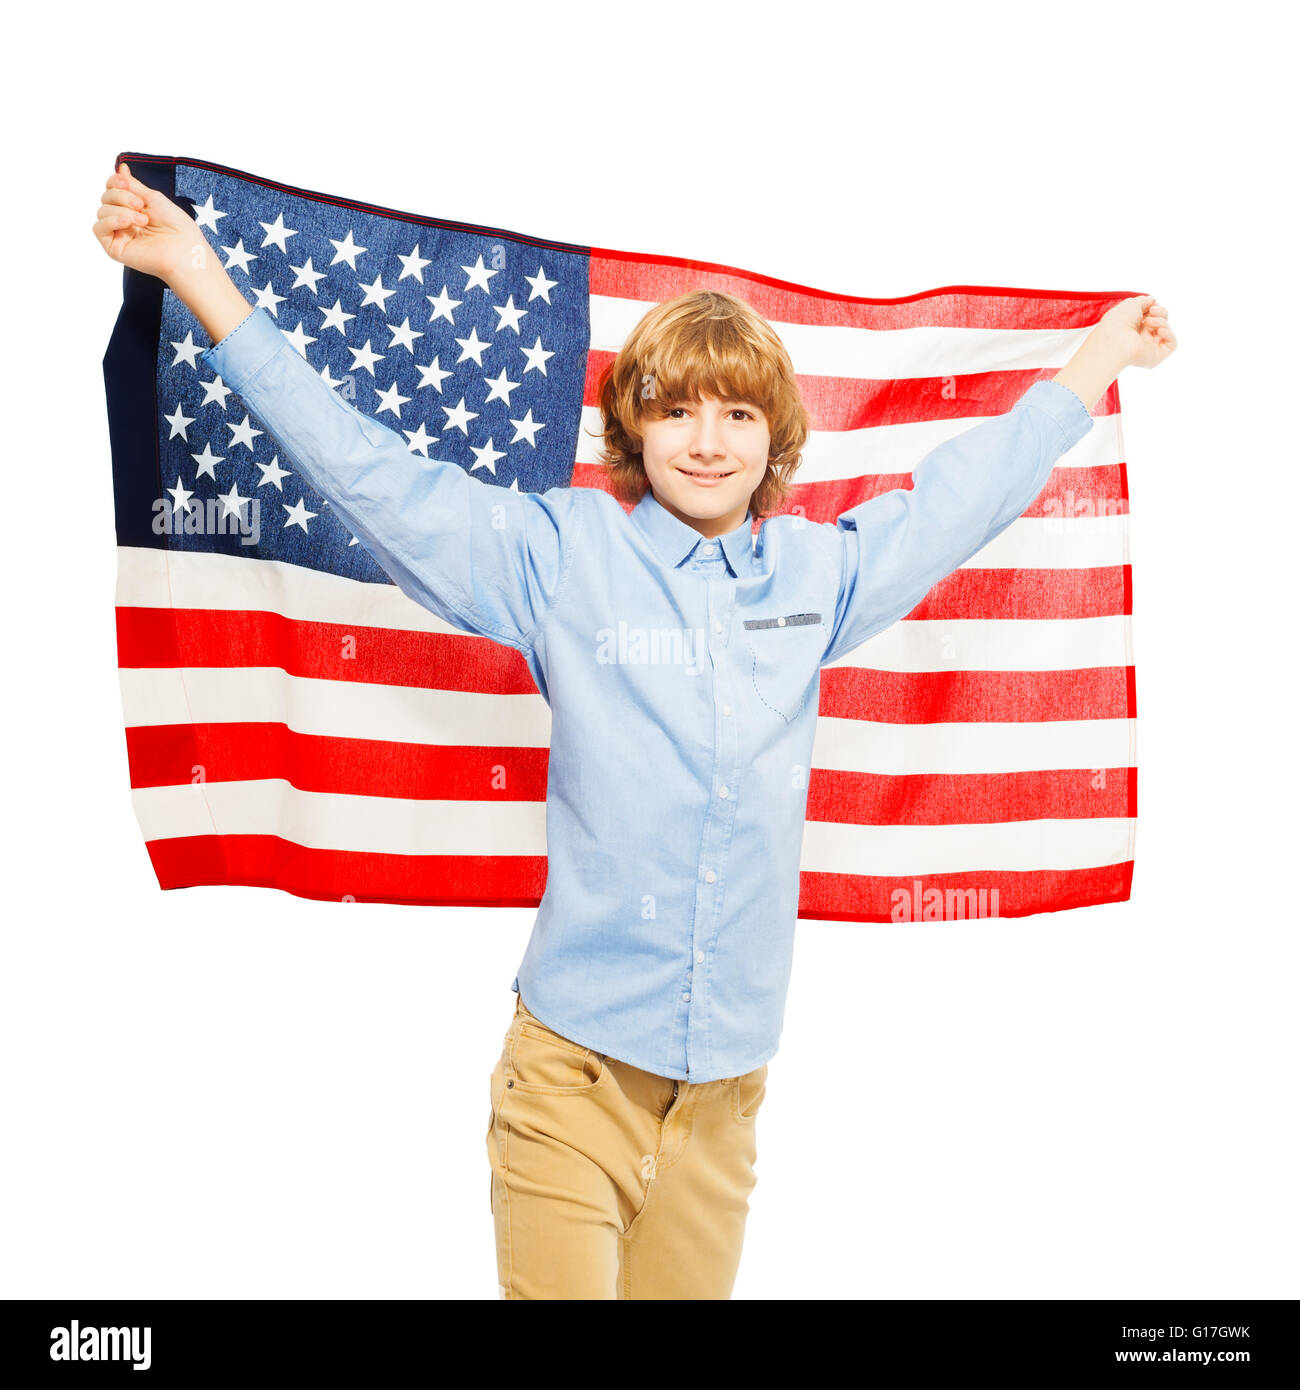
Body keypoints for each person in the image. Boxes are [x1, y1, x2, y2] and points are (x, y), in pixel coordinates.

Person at [93, 161, 1176, 1299]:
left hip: (725, 1104)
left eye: (738, 411)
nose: (707, 441)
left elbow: (963, 496)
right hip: (570, 1085)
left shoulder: (819, 573)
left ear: (775, 438)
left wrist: (1098, 359)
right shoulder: (561, 558)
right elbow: (371, 474)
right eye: (676, 410)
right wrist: (196, 275)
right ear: (634, 428)